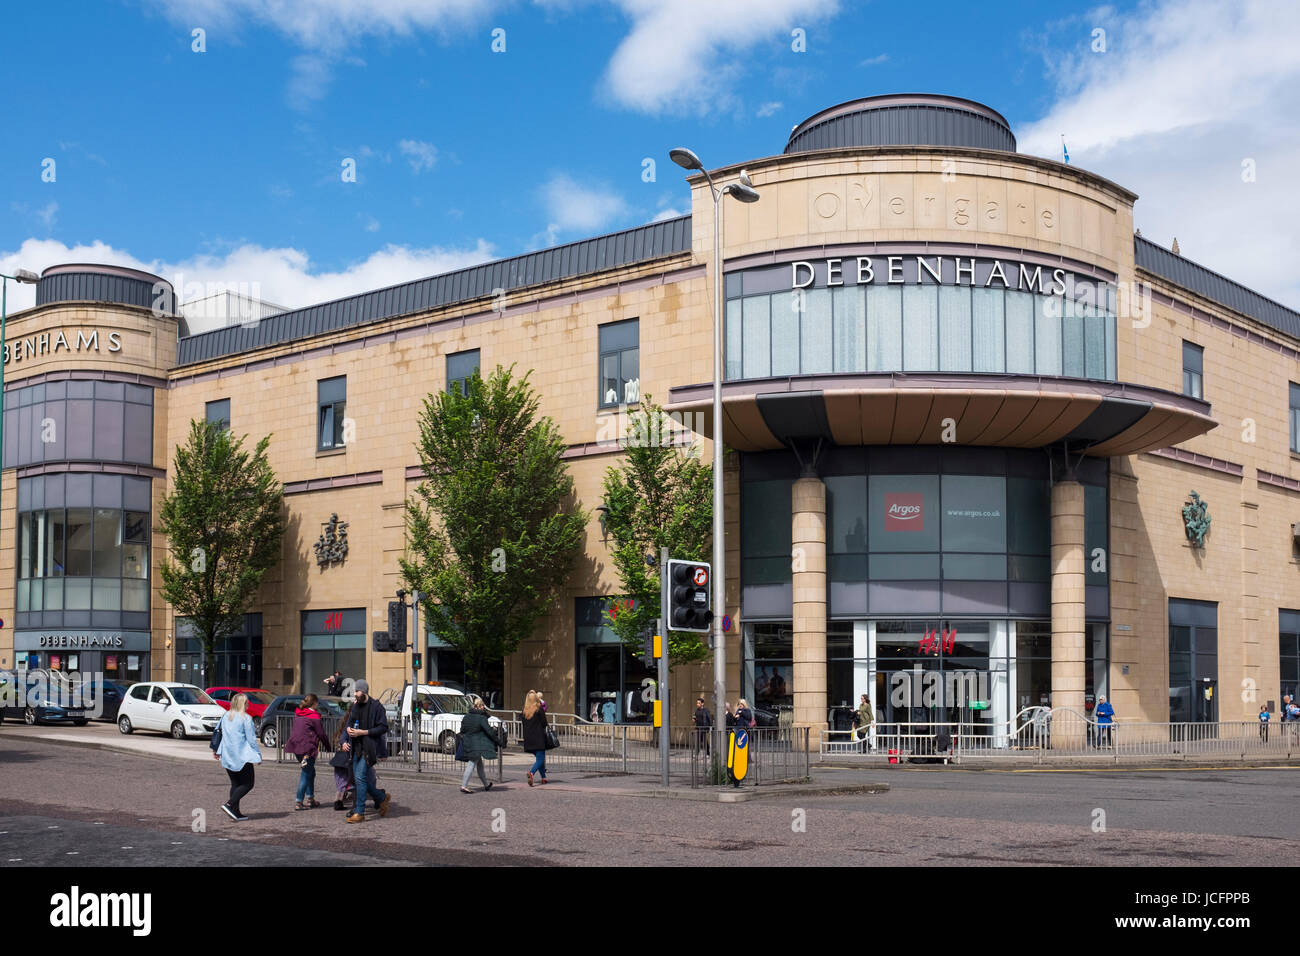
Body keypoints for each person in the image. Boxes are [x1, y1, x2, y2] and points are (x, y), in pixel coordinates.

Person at [339, 680, 392, 823]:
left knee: (360, 777)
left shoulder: (377, 707)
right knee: (358, 779)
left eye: (357, 691)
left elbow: (383, 728)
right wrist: (349, 730)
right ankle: (381, 797)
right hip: (356, 747)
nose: (355, 694)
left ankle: (359, 812)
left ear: (364, 691)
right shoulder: (356, 706)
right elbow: (349, 723)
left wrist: (364, 732)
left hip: (369, 748)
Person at [213, 693, 262, 821]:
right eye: (246, 702)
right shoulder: (245, 718)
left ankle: (235, 812)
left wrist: (217, 750)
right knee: (248, 783)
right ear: (242, 704)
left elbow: (219, 733)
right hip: (242, 755)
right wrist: (257, 754)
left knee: (235, 784)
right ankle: (230, 804)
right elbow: (251, 739)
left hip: (228, 754)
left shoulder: (225, 716)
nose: (248, 704)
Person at [285, 693, 331, 810]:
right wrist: (329, 746)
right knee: (306, 774)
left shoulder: (299, 714)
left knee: (310, 772)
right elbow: (321, 733)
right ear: (314, 703)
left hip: (296, 747)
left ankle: (310, 799)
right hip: (308, 748)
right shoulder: (314, 716)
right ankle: (299, 801)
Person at [458, 695, 497, 793]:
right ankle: (464, 785)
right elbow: (487, 730)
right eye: (482, 705)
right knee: (471, 764)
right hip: (476, 744)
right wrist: (493, 730)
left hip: (469, 742)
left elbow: (462, 730)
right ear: (479, 706)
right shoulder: (480, 718)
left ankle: (486, 785)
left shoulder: (467, 716)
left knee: (479, 765)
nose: (484, 707)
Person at [521, 689, 550, 787]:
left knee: (539, 758)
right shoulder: (539, 709)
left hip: (528, 739)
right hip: (538, 738)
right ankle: (531, 773)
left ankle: (543, 777)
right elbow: (544, 723)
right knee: (541, 759)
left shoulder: (524, 711)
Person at [332, 706, 357, 811]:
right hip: (348, 756)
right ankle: (356, 803)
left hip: (341, 757)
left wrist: (342, 743)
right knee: (355, 779)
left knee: (341, 780)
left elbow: (340, 737)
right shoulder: (352, 722)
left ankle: (338, 801)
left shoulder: (344, 720)